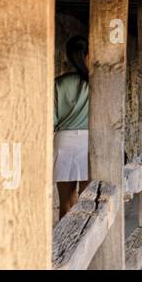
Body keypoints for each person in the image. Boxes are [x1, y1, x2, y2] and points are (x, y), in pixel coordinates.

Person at [55, 36, 90, 217]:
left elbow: (51, 119)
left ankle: (63, 244)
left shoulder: (58, 83)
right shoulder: (97, 83)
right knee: (89, 201)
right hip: (89, 142)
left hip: (63, 141)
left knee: (66, 202)